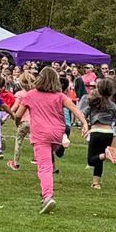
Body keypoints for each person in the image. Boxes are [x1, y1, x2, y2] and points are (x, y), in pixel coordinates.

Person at [13, 65, 74, 214]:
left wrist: (17, 123)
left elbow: (18, 115)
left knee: (44, 167)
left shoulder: (31, 95)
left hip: (40, 134)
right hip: (56, 134)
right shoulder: (60, 96)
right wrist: (85, 124)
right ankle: (46, 191)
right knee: (48, 161)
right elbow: (75, 109)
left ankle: (48, 196)